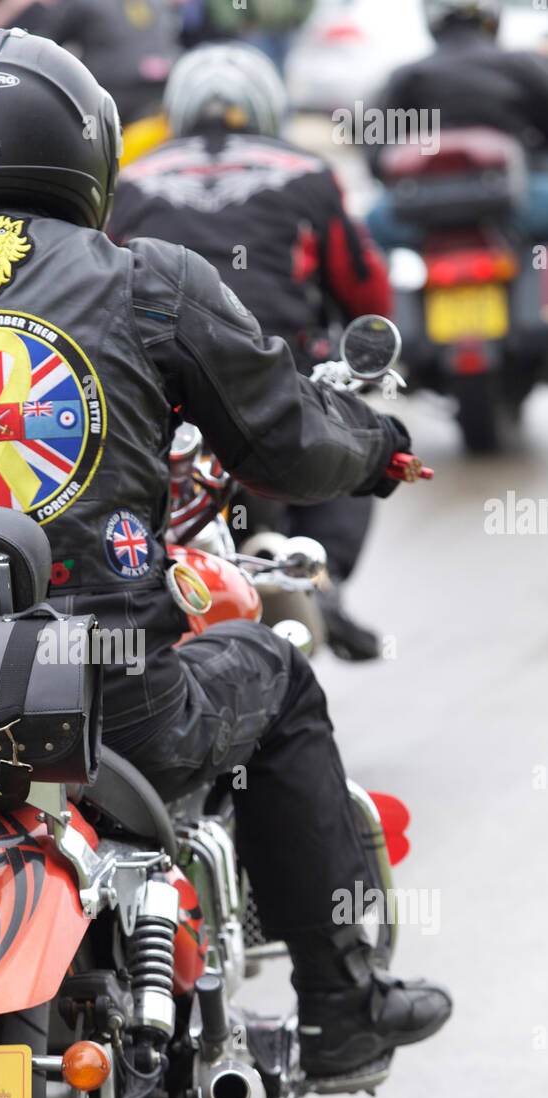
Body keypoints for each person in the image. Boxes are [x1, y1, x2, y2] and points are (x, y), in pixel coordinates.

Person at [0, 27, 450, 1080]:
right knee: (282, 681)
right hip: (109, 690)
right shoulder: (150, 281)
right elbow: (285, 439)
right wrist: (376, 447)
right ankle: (341, 1014)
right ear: (87, 151)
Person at [108, 42, 393, 659]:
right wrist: (375, 349)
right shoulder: (309, 173)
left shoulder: (129, 179)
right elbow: (361, 283)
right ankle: (324, 581)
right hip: (277, 374)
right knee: (355, 435)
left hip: (161, 385)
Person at [366, 0, 548, 249]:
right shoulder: (524, 66)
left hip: (419, 212)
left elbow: (375, 154)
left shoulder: (406, 77)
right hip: (519, 206)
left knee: (367, 232)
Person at [0, 0, 181, 124]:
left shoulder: (79, 4)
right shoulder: (156, 3)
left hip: (119, 102)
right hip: (169, 95)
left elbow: (39, 45)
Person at [181, 0, 315, 71]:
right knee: (255, 77)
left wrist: (298, 18)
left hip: (285, 31)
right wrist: (237, 22)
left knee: (279, 83)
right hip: (253, 33)